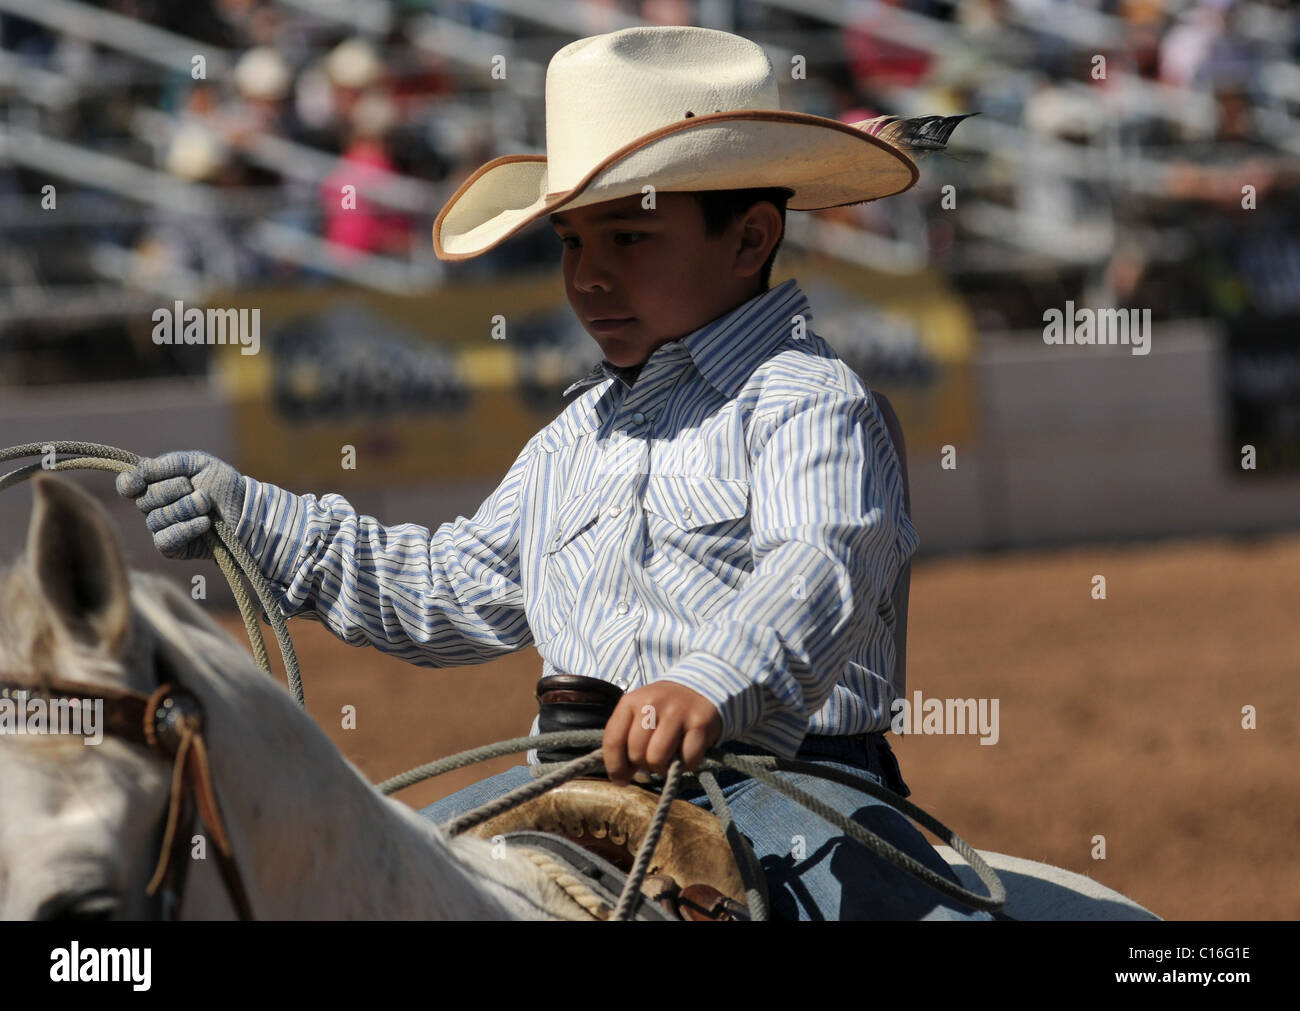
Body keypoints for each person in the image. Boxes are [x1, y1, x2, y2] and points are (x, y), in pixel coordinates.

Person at [117, 25, 986, 920]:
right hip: (575, 782)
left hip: (795, 793)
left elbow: (821, 564)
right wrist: (263, 524)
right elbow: (452, 586)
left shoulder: (809, 399)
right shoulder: (574, 436)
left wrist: (712, 681)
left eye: (629, 239)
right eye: (572, 243)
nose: (590, 278)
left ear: (750, 236)